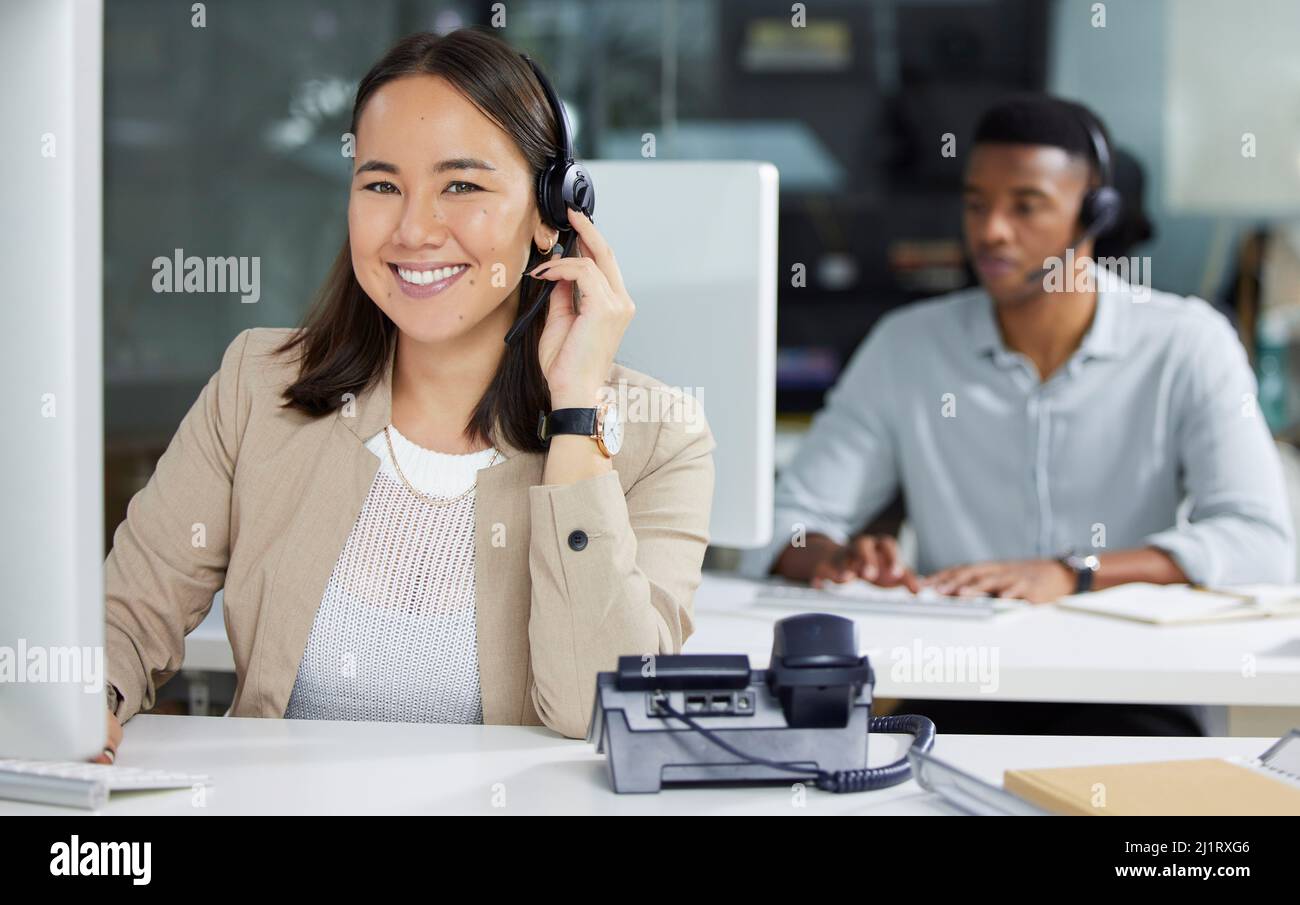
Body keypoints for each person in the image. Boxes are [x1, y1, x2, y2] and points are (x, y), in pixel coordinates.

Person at [99, 28, 714, 761]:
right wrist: (89, 697)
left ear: (554, 214)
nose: (414, 228)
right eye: (382, 184)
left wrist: (577, 415)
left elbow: (600, 711)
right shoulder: (258, 387)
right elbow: (124, 619)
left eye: (462, 185)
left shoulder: (658, 436)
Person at [740, 95, 1293, 735]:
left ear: (1094, 215)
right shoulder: (908, 347)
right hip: (961, 693)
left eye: (1025, 206)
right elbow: (782, 523)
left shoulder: (1186, 344)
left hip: (1135, 694)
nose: (991, 230)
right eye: (977, 203)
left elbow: (1259, 544)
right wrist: (835, 560)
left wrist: (1071, 573)